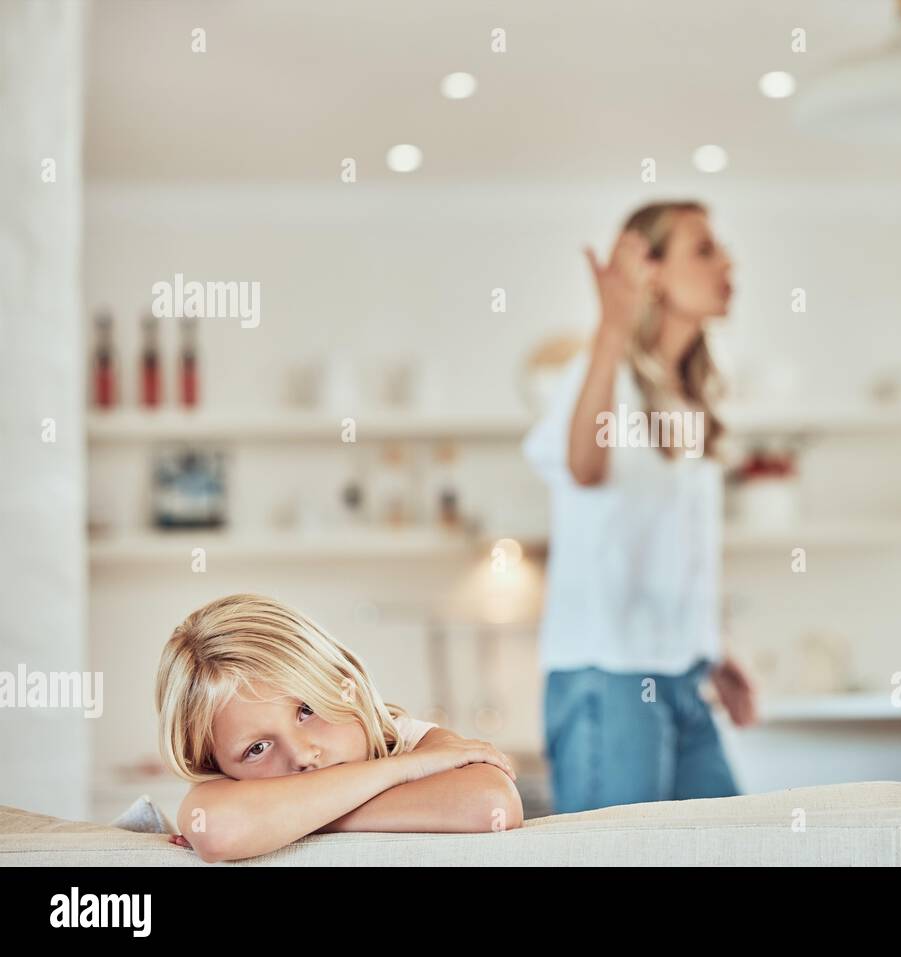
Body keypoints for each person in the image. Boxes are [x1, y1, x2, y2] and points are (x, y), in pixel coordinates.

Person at [524, 200, 757, 814]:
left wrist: (712, 646)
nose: (727, 263)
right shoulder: (604, 374)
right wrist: (612, 328)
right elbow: (584, 467)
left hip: (682, 674)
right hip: (610, 675)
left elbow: (673, 547)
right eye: (703, 250)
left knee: (735, 847)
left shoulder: (690, 393)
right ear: (650, 273)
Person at [156, 593, 521, 862]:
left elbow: (492, 804)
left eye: (307, 710)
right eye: (257, 749)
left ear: (346, 684)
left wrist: (287, 819)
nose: (302, 754)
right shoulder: (221, 790)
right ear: (214, 765)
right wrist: (403, 770)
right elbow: (215, 829)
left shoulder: (413, 740)